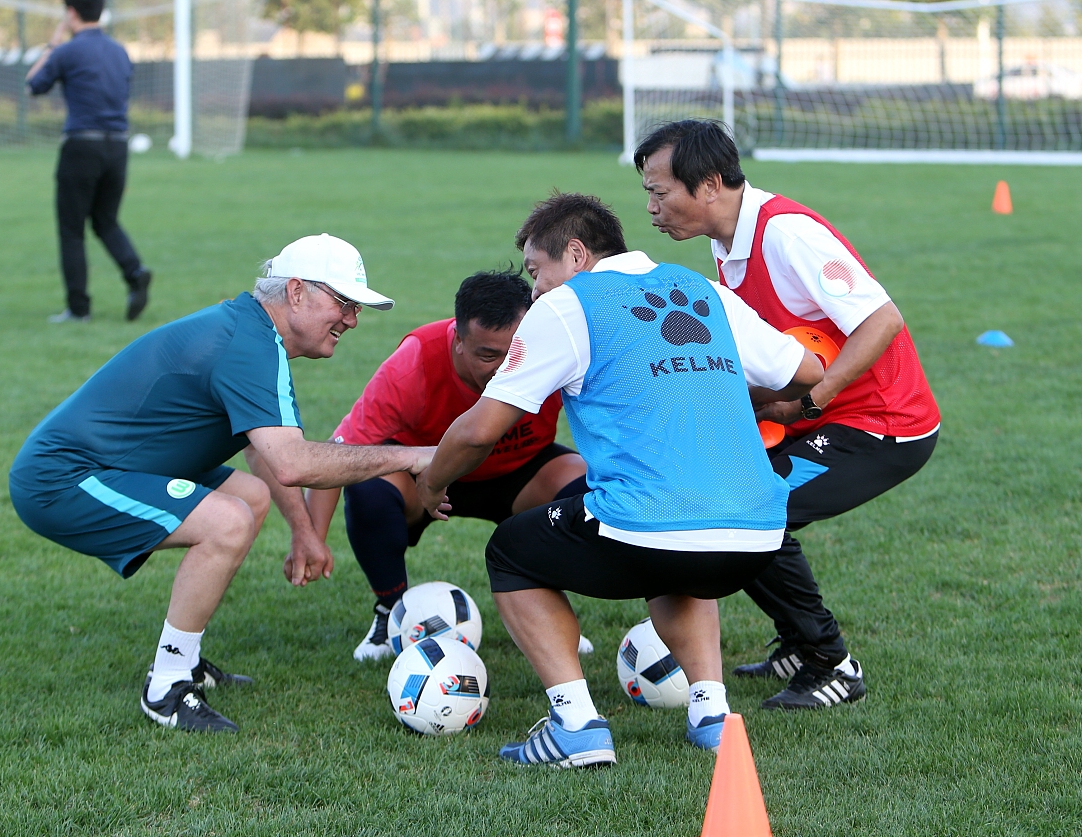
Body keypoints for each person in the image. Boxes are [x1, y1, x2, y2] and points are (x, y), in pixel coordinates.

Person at [415, 193, 825, 763]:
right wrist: (712, 379)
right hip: (758, 533)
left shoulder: (567, 305)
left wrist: (432, 484)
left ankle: (576, 726)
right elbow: (806, 371)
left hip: (653, 523)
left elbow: (479, 430)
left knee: (511, 552)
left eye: (536, 271)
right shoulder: (701, 289)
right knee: (671, 549)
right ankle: (712, 714)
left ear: (575, 254)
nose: (534, 290)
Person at [10, 234, 434, 733]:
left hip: (117, 465)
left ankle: (184, 660)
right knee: (227, 521)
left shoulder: (254, 333)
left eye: (355, 308)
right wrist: (410, 456)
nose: (352, 320)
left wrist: (304, 532)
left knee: (249, 498)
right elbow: (294, 462)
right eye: (343, 303)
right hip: (62, 478)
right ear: (296, 291)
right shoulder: (249, 344)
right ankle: (167, 687)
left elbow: (262, 451)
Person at [635, 120, 940, 710]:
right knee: (722, 499)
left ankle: (831, 664)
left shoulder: (787, 234)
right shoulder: (728, 241)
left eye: (659, 192)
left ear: (710, 184)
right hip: (820, 417)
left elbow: (882, 321)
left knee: (752, 510)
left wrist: (808, 402)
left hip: (884, 423)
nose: (651, 207)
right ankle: (801, 647)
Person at [304, 268, 591, 661]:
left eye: (514, 353)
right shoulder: (416, 361)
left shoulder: (554, 350)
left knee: (590, 487)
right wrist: (312, 538)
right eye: (487, 355)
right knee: (367, 484)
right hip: (424, 476)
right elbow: (341, 451)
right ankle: (392, 612)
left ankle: (548, 613)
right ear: (457, 339)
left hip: (519, 472)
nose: (503, 368)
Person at [26, 0, 153, 323]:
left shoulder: (67, 51)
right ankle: (135, 272)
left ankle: (78, 309)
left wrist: (52, 45)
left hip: (82, 145)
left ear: (71, 13)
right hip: (118, 146)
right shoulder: (120, 51)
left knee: (71, 229)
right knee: (105, 220)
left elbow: (34, 84)